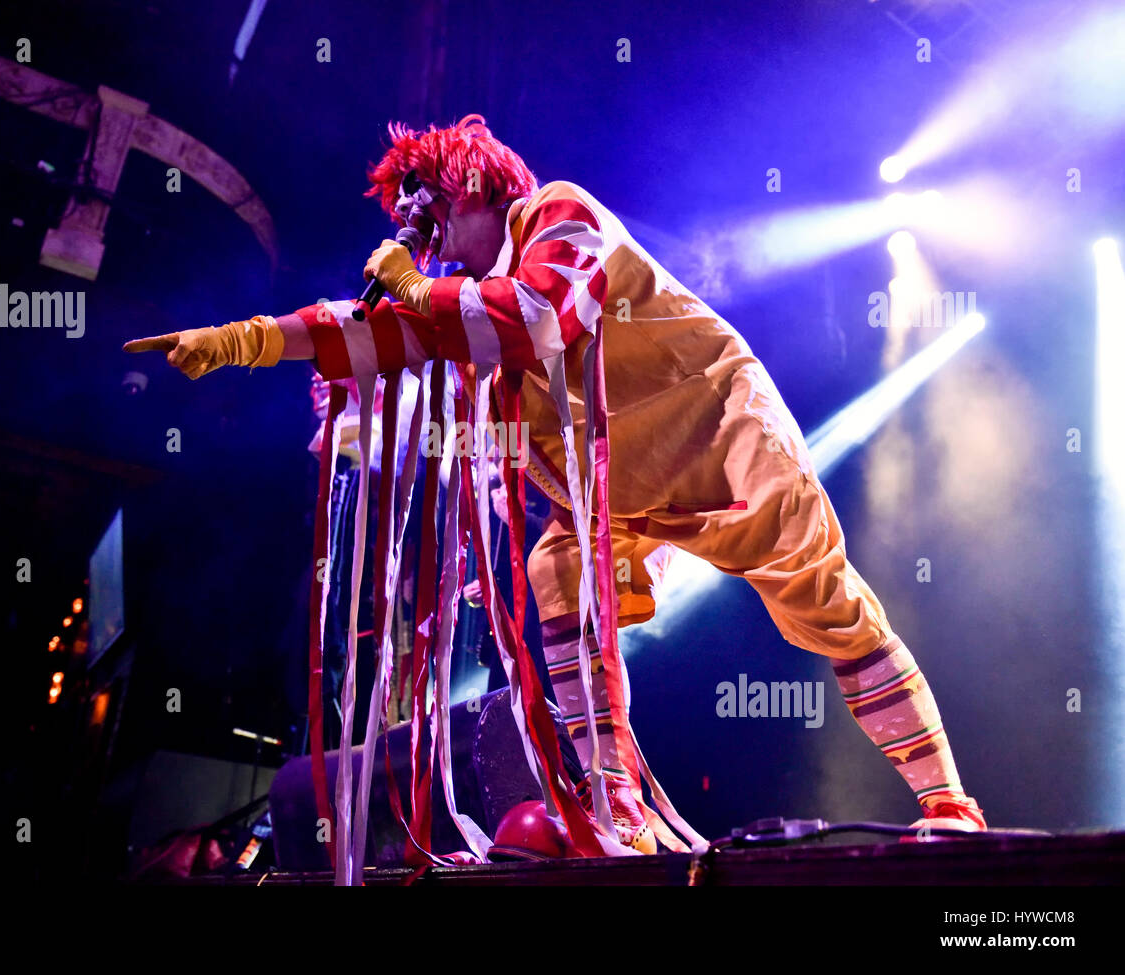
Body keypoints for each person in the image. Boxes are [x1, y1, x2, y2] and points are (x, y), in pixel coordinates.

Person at [125, 114, 985, 855]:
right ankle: (618, 808)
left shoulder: (558, 213)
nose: (413, 223)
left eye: (421, 198)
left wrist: (420, 289)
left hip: (717, 423)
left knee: (823, 598)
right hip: (619, 484)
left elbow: (536, 317)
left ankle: (949, 804)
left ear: (467, 184)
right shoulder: (454, 299)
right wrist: (241, 339)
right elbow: (371, 330)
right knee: (557, 572)